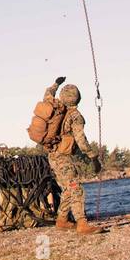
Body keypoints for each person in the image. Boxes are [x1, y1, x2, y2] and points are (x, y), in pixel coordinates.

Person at [43, 76, 102, 234]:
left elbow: (47, 93)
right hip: (64, 158)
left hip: (52, 156)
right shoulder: (76, 117)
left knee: (68, 189)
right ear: (78, 98)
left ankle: (62, 219)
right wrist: (93, 158)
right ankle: (82, 223)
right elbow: (81, 141)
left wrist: (56, 83)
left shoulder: (54, 108)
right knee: (76, 188)